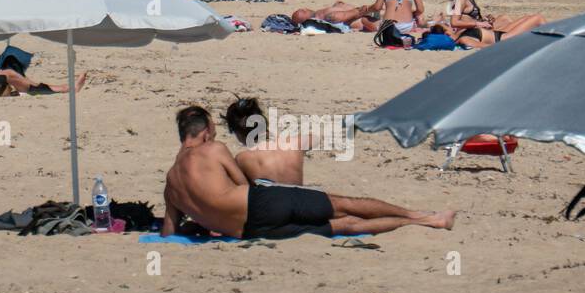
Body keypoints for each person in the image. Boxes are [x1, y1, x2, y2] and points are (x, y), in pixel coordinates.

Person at [161, 106, 456, 240]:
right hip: (263, 203)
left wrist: (201, 222)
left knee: (345, 226)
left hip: (251, 232)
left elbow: (169, 232)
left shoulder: (171, 184)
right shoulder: (214, 150)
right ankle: (425, 218)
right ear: (205, 132)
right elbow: (244, 186)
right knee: (346, 206)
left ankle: (420, 223)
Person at [224, 98, 307, 186]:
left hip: (272, 198)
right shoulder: (294, 144)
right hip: (300, 197)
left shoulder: (242, 158)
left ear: (238, 132)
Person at [289, 2, 379, 32]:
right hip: (364, 20)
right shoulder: (323, 17)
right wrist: (363, 10)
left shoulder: (321, 13)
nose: (305, 8)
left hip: (364, 16)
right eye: (303, 11)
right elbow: (338, 16)